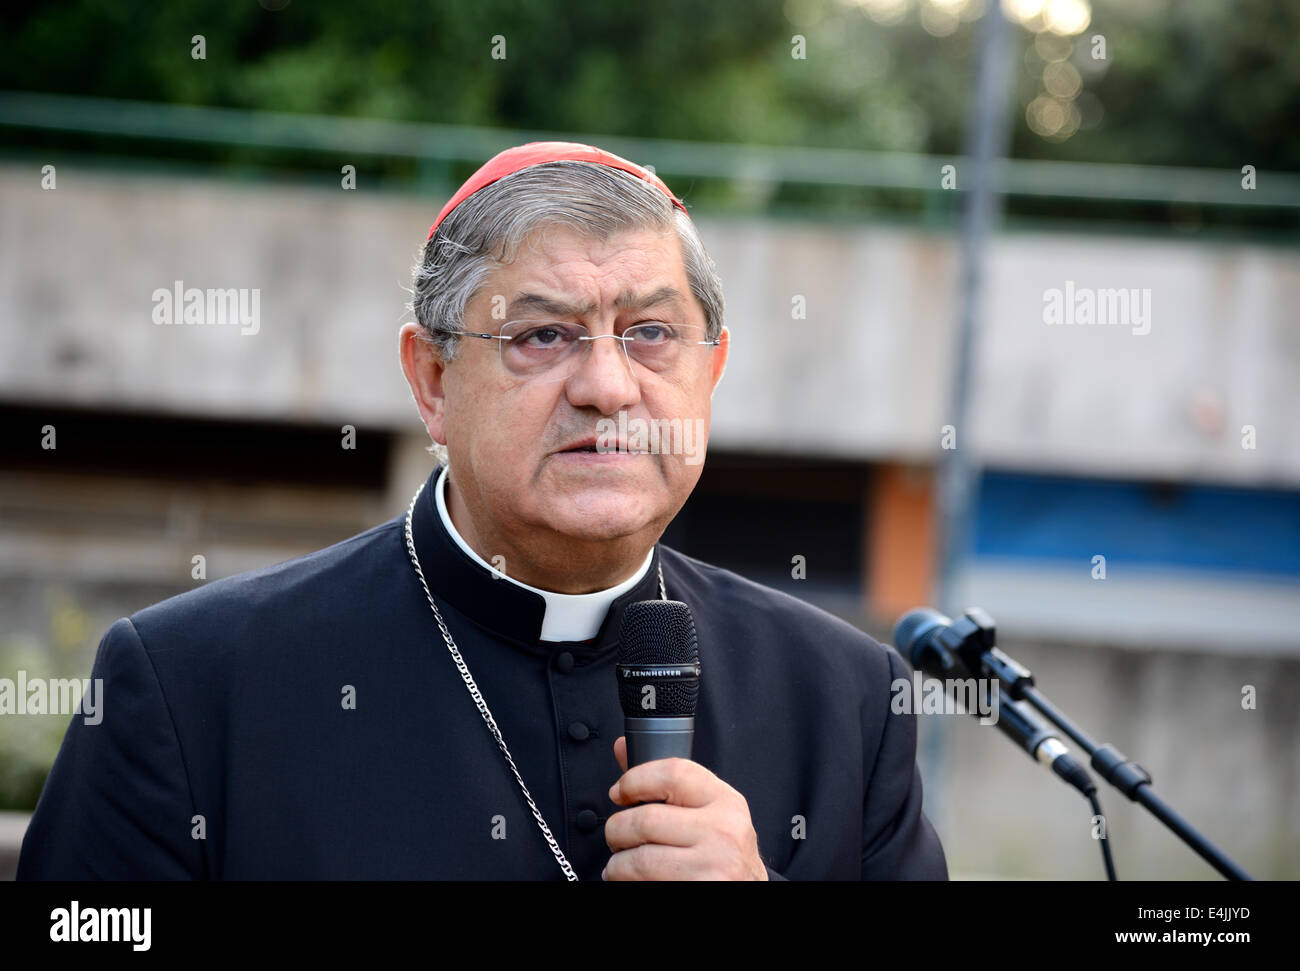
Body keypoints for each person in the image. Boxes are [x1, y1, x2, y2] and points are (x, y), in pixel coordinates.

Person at [18, 142, 947, 880]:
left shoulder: (847, 701)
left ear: (711, 369)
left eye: (652, 333)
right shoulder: (190, 687)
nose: (606, 385)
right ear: (432, 379)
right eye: (543, 334)